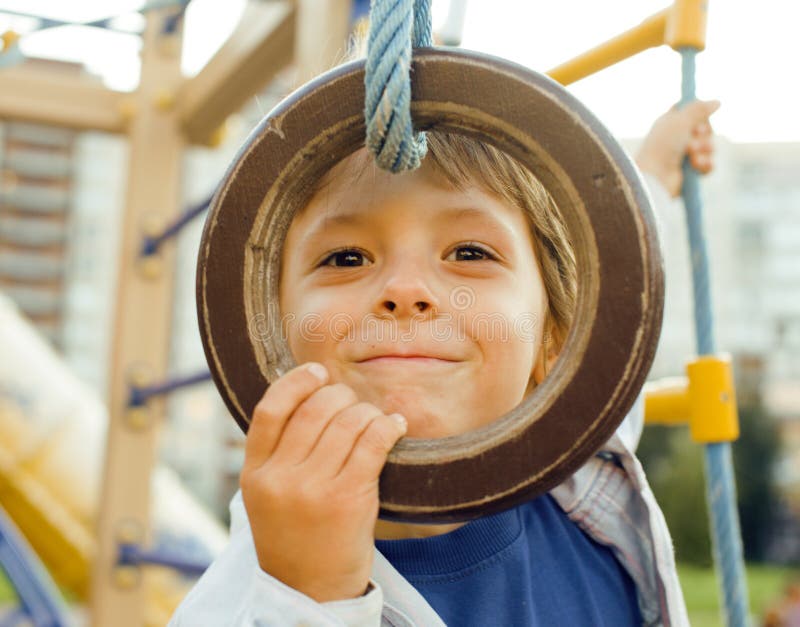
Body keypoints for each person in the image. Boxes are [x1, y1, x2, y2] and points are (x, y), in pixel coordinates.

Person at [170, 99, 720, 626]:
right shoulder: (249, 600)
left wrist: (651, 174)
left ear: (556, 343)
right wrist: (310, 598)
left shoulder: (581, 451)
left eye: (470, 253)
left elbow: (620, 289)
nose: (405, 291)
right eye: (345, 257)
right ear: (269, 336)